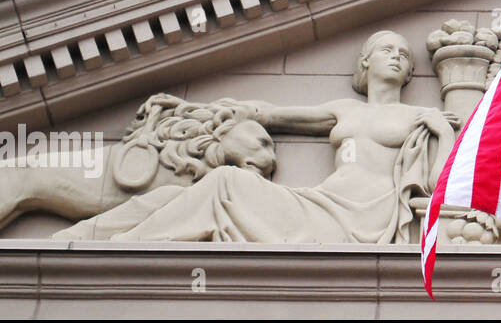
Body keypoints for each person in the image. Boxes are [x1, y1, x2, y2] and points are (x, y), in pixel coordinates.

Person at [60, 30, 458, 243]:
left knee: (225, 182)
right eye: (387, 49)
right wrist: (190, 109)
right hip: (321, 204)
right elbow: (267, 114)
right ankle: (92, 237)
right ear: (365, 61)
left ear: (410, 75)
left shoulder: (421, 116)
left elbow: (442, 183)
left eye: (404, 55)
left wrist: (442, 130)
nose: (397, 57)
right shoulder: (344, 110)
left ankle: (131, 247)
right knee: (178, 196)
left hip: (359, 222)